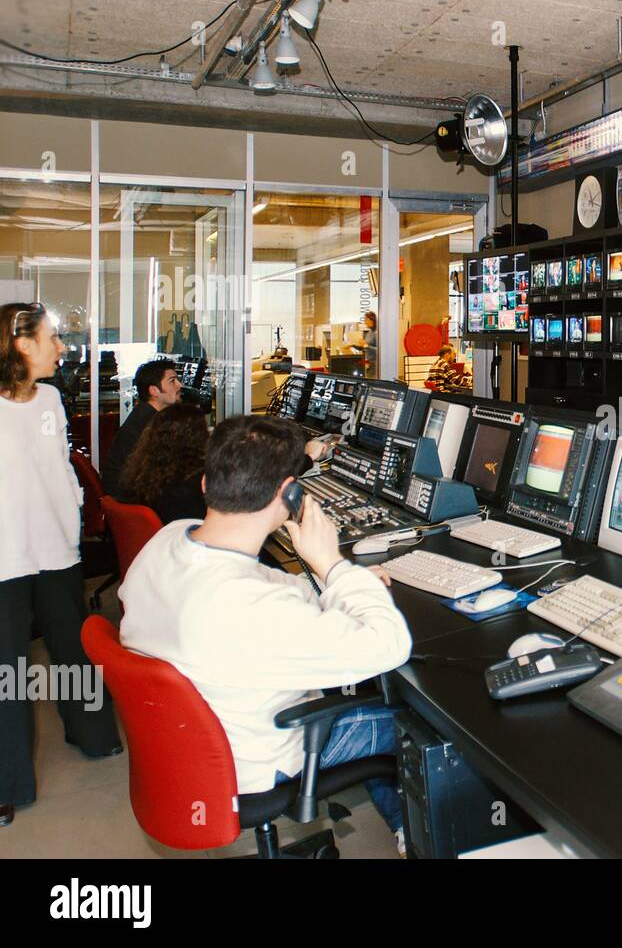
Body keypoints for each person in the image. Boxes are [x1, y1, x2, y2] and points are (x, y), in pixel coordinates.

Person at [119, 415, 412, 849]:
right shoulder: (252, 609)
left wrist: (345, 585)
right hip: (260, 759)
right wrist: (331, 565)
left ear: (206, 484)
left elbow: (263, 586)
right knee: (420, 722)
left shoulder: (168, 540)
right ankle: (417, 837)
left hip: (192, 748)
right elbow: (391, 646)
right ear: (289, 494)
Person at [0, 303, 123, 829]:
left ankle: (93, 736)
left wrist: (75, 511)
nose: (61, 347)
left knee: (73, 646)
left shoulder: (50, 397)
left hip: (56, 547)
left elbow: (55, 468)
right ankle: (9, 784)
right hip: (5, 555)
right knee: (8, 668)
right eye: (52, 338)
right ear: (22, 345)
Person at [102, 359, 182, 498]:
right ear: (154, 390)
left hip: (127, 493)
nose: (180, 385)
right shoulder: (150, 422)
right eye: (172, 381)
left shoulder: (145, 414)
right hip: (131, 498)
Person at [120, 404, 209, 525]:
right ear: (198, 437)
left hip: (156, 540)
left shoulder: (142, 473)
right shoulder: (196, 483)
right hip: (185, 539)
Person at [349, 311, 378, 376]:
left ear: (372, 320)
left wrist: (366, 345)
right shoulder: (369, 333)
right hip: (369, 364)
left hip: (376, 364)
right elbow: (364, 347)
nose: (365, 322)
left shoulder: (377, 333)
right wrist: (352, 345)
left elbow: (379, 351)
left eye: (366, 320)